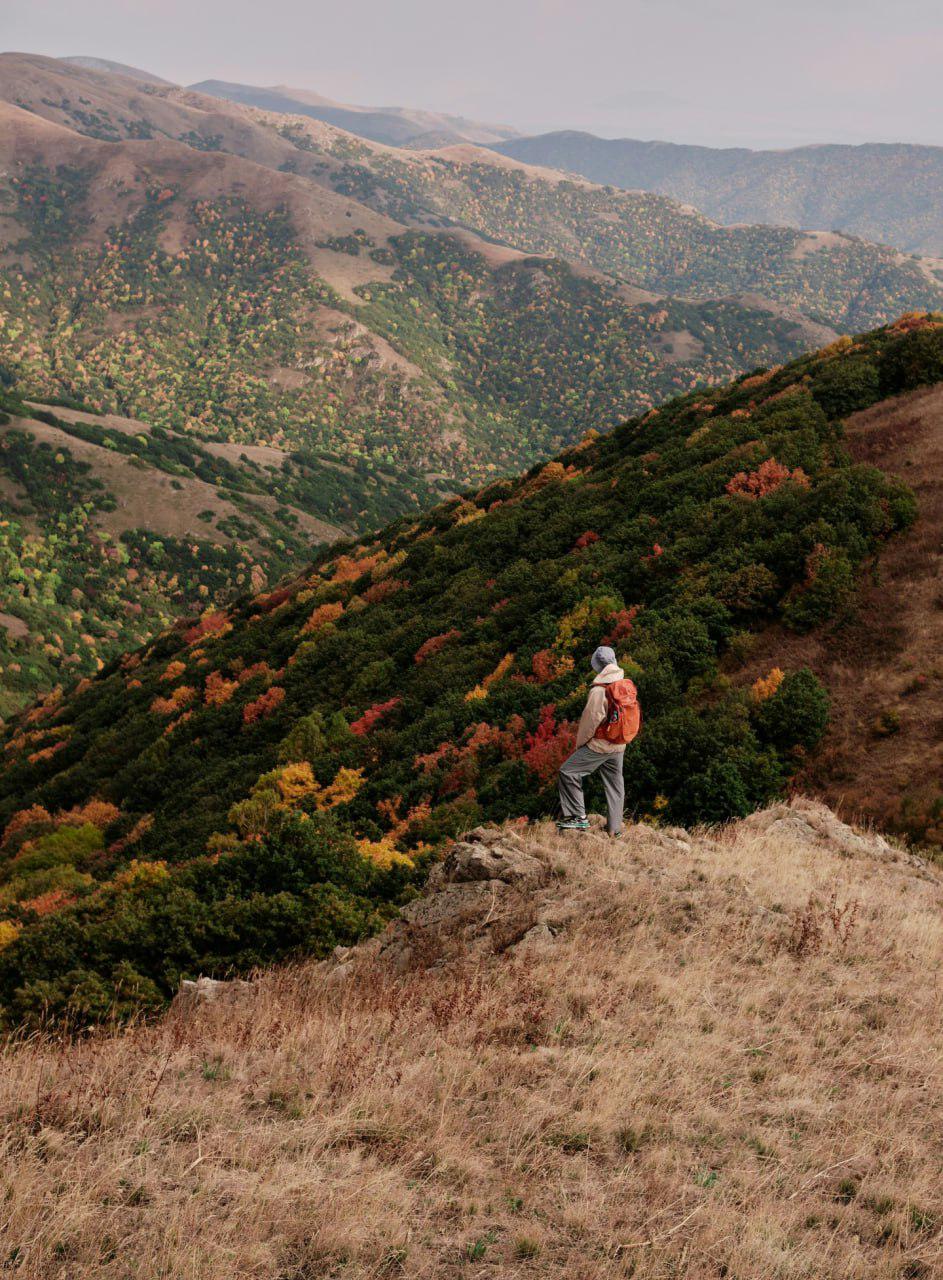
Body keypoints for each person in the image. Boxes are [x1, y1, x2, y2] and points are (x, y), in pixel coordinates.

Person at [556, 645, 640, 836]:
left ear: (598, 666)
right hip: (620, 744)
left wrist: (581, 745)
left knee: (568, 772)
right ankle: (615, 829)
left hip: (600, 745)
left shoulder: (600, 690)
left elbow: (590, 721)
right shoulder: (625, 685)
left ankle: (578, 817)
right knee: (615, 784)